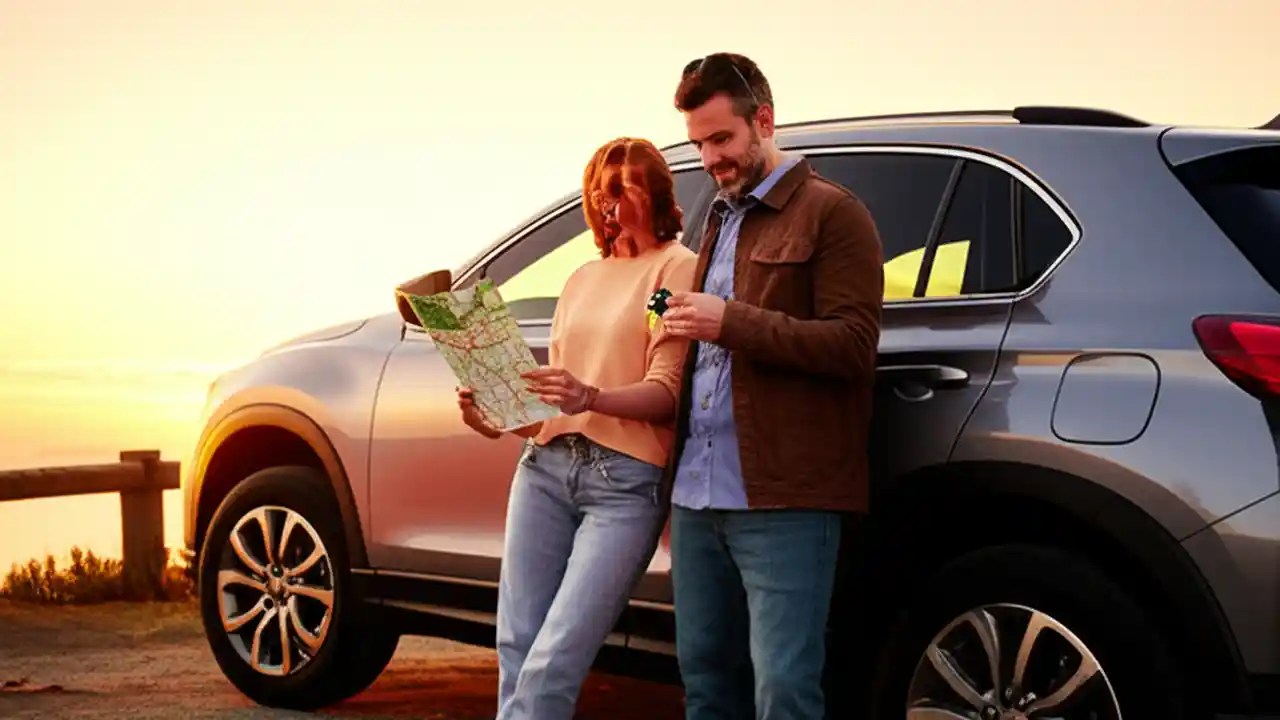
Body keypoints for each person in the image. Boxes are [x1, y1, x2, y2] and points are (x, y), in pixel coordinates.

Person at [660, 52, 884, 720]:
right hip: (696, 497)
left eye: (721, 139)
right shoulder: (717, 218)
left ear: (764, 120)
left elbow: (853, 346)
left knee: (783, 689)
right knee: (705, 683)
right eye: (699, 144)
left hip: (785, 500)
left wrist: (731, 322)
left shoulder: (834, 213)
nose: (710, 159)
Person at [455, 137, 697, 720]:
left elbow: (666, 391)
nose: (609, 203)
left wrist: (592, 396)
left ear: (656, 193)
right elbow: (552, 410)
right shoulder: (582, 279)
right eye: (599, 192)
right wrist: (494, 419)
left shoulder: (672, 272)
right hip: (543, 470)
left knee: (554, 658)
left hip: (624, 485)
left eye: (624, 188)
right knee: (517, 645)